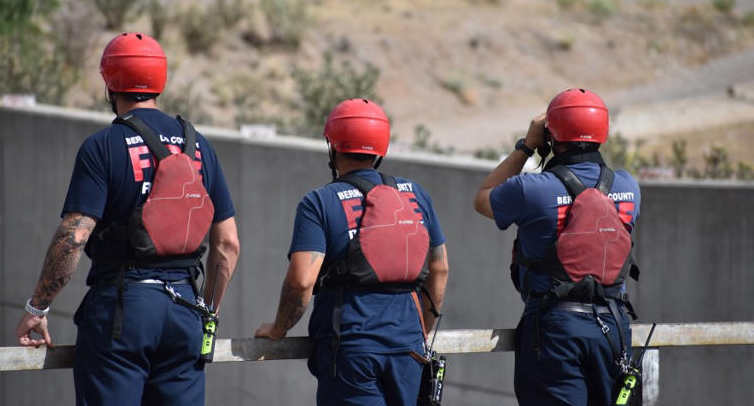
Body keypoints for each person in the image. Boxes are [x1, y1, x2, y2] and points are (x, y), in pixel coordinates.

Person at [15, 32, 240, 405]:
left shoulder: (102, 146)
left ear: (109, 83)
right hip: (186, 308)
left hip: (124, 310)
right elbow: (228, 245)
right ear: (160, 81)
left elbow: (73, 238)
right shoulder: (199, 144)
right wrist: (208, 316)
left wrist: (37, 307)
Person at [255, 98, 449, 406]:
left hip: (352, 351)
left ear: (333, 146)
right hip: (409, 349)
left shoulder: (319, 202)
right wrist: (421, 329)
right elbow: (439, 269)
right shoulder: (416, 195)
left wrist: (279, 328)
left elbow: (301, 283)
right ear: (380, 149)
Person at [473, 88, 641, 406]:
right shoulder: (628, 187)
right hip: (614, 325)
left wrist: (527, 146)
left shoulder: (531, 190)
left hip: (555, 329)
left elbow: (484, 197)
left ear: (552, 136)